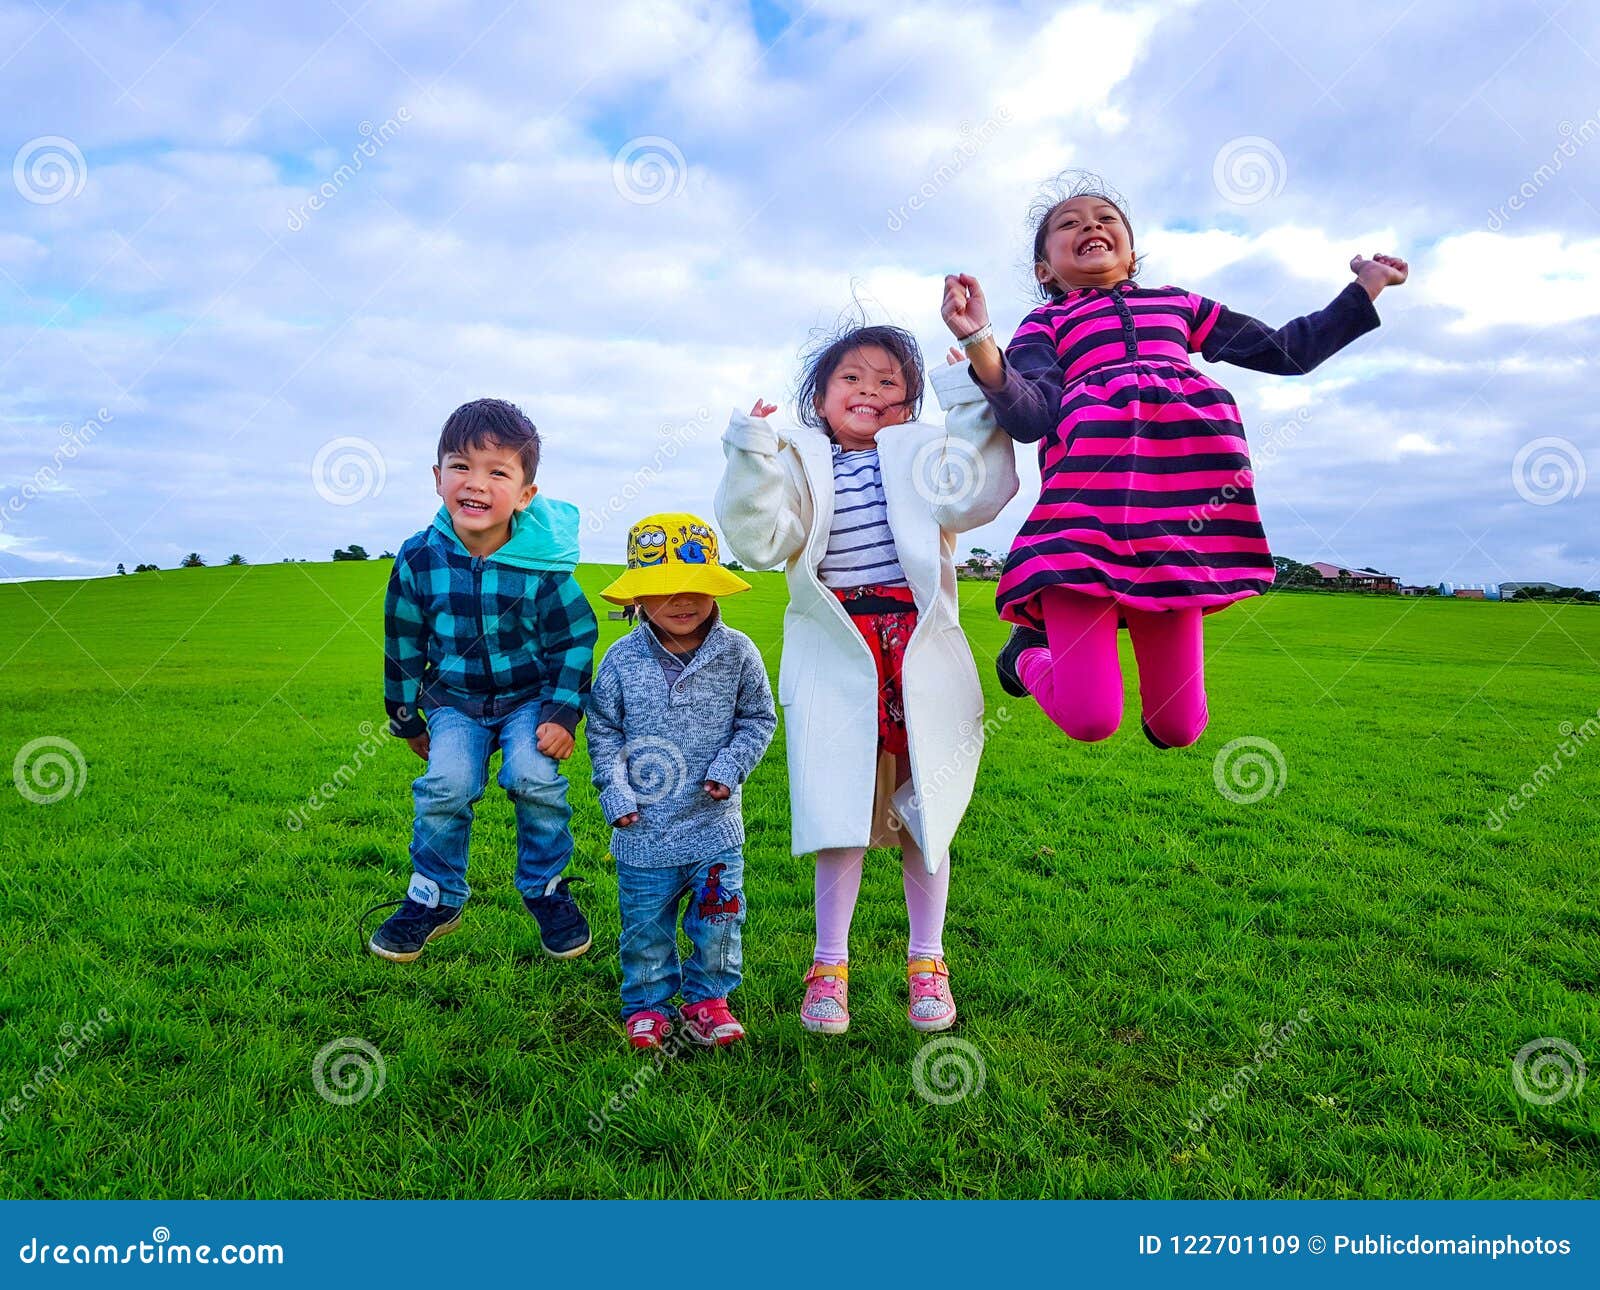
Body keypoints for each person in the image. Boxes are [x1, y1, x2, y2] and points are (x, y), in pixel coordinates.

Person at [944, 176, 1407, 747]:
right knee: (1092, 720)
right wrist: (979, 342)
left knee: (1177, 727)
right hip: (1083, 522)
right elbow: (1031, 416)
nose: (1091, 224)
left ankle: (1158, 700)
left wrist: (1364, 290)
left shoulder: (1179, 305)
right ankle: (1027, 657)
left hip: (1178, 529)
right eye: (1069, 223)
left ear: (1132, 253)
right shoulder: (1047, 325)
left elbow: (1289, 351)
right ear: (1045, 269)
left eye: (1106, 217)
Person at [716, 327, 1019, 1034]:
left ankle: (928, 962)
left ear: (910, 403)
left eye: (889, 384)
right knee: (839, 813)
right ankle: (828, 967)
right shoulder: (797, 461)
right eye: (852, 379)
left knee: (925, 811)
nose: (870, 394)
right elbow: (761, 543)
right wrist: (752, 451)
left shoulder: (924, 458)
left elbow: (980, 494)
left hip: (917, 650)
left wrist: (967, 400)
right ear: (819, 398)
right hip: (838, 650)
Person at [370, 398, 598, 962]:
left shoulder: (541, 564)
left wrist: (564, 712)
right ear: (437, 477)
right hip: (454, 702)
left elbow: (575, 637)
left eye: (498, 471)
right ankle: (434, 897)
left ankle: (546, 889)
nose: (476, 483)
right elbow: (403, 639)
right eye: (461, 466)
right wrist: (405, 715)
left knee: (533, 778)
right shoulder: (419, 557)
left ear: (524, 494)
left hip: (530, 700)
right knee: (444, 785)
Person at [586, 513, 776, 1049]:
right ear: (637, 599)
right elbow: (602, 730)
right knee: (645, 929)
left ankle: (707, 1000)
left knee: (719, 922)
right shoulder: (621, 659)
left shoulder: (737, 652)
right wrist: (616, 792)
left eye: (695, 587)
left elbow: (758, 718)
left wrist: (729, 767)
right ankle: (646, 1005)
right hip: (642, 828)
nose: (683, 601)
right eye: (664, 590)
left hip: (714, 827)